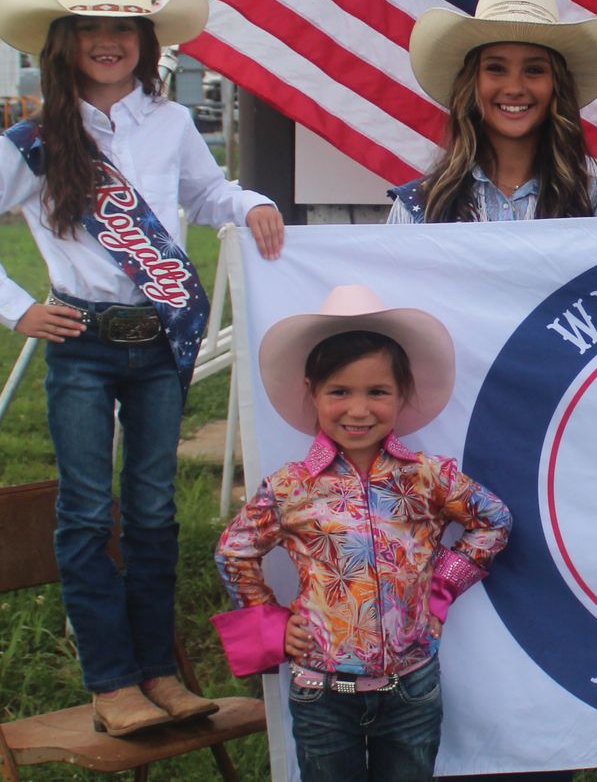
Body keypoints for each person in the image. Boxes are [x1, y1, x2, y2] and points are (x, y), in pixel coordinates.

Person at [0, 0, 285, 736]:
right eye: (88, 26)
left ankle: (161, 671)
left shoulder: (173, 120)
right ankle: (111, 683)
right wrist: (15, 307)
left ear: (148, 42)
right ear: (63, 40)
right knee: (87, 513)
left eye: (124, 27)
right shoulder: (33, 140)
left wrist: (246, 200)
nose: (107, 41)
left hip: (158, 346)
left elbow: (209, 190)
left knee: (154, 513)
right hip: (81, 343)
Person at [212, 285, 512, 781]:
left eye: (377, 392)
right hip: (320, 692)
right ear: (312, 392)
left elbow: (494, 520)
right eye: (339, 392)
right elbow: (234, 551)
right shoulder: (290, 486)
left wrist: (440, 590)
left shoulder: (427, 476)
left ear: (402, 394)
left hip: (413, 688)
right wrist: (270, 626)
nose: (358, 410)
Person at [386, 0, 597, 223]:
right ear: (472, 82)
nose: (514, 87)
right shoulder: (418, 209)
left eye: (534, 70)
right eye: (496, 68)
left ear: (556, 85)